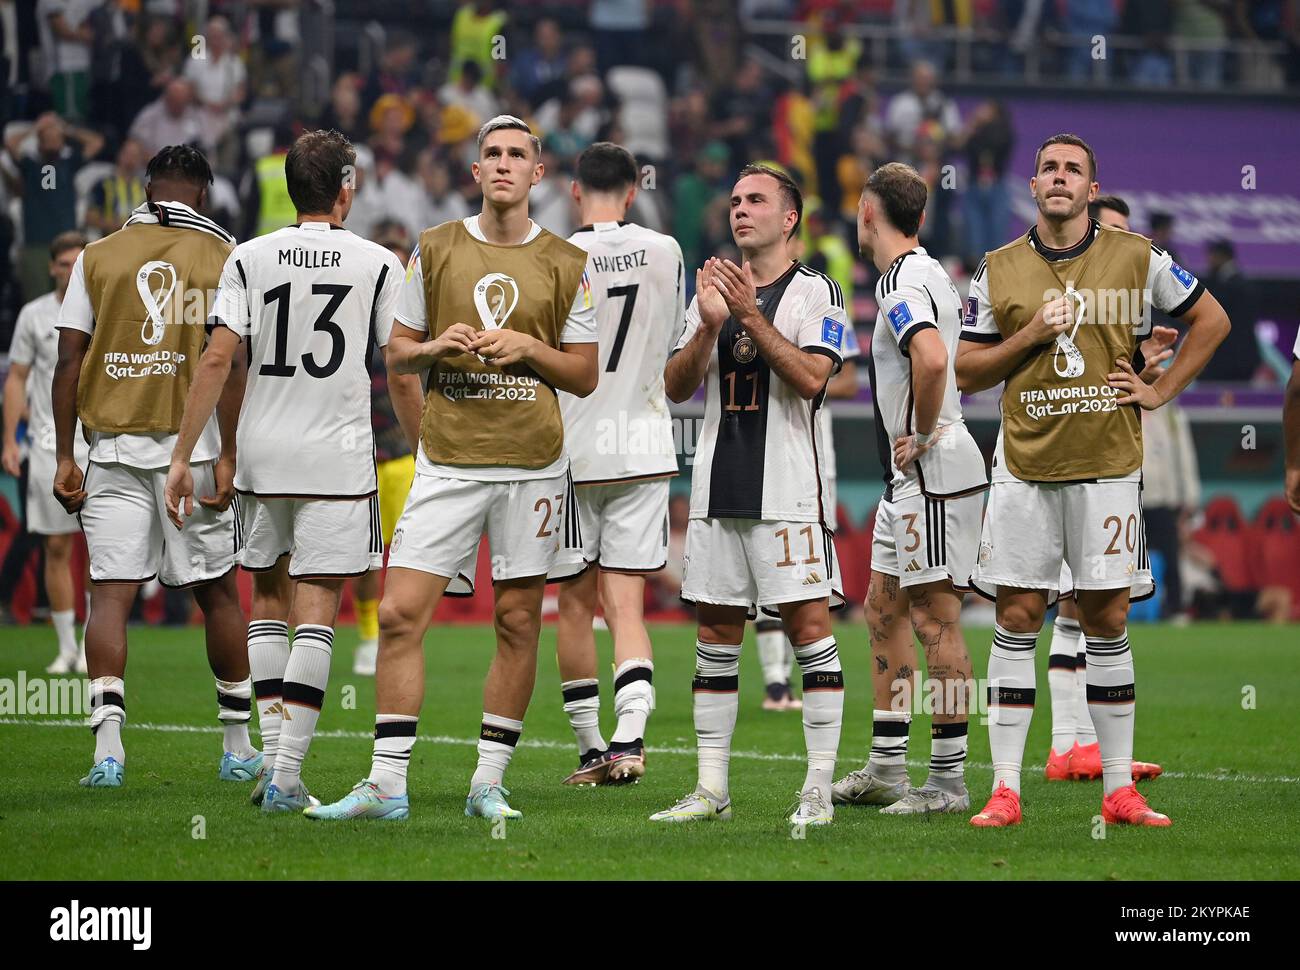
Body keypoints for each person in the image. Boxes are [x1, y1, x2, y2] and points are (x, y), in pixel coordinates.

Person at [305, 116, 598, 823]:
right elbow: (396, 353)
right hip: (448, 460)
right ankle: (385, 785)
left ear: (537, 174)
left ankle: (487, 784)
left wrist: (528, 347)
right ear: (475, 173)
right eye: (490, 154)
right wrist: (437, 347)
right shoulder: (434, 248)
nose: (502, 164)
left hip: (531, 463)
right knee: (402, 612)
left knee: (517, 618)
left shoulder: (567, 260)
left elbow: (585, 375)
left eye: (516, 155)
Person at [957, 134, 1230, 828]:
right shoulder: (997, 269)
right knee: (1018, 619)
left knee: (1107, 619)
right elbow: (963, 369)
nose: (1059, 178)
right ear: (1034, 184)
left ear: (1090, 187)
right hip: (1025, 468)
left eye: (1073, 170)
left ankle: (1117, 789)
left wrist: (1158, 390)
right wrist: (1028, 339)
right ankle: (1006, 790)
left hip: (1108, 468)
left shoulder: (1136, 257)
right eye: (1049, 167)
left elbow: (1212, 320)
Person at [164, 129, 413, 814]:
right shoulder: (378, 262)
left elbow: (217, 359)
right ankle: (286, 773)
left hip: (263, 453)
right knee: (316, 610)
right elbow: (397, 364)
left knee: (267, 600)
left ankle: (273, 762)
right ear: (346, 187)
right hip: (335, 457)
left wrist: (186, 455)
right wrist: (425, 448)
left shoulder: (247, 257)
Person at [650, 164, 849, 826]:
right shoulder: (710, 291)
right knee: (714, 635)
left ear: (789, 217)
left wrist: (745, 315)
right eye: (734, 200)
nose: (740, 209)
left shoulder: (820, 292)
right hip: (716, 485)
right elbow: (677, 389)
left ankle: (818, 787)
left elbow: (812, 378)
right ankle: (712, 790)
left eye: (756, 200)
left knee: (809, 630)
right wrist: (708, 326)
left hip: (790, 490)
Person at [51, 145, 254, 789]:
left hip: (110, 448)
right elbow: (232, 365)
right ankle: (237, 745)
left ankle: (107, 751)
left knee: (108, 596)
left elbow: (68, 364)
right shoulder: (222, 256)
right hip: (187, 454)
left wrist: (63, 454)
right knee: (217, 593)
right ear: (202, 192)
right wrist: (228, 451)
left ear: (147, 188)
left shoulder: (96, 254)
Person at [831, 163, 989, 816]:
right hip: (915, 478)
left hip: (933, 472)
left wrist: (922, 434)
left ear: (869, 213)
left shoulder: (900, 281)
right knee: (884, 612)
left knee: (934, 619)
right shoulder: (930, 274)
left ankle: (948, 784)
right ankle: (889, 766)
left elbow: (931, 359)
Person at [553, 142, 683, 786]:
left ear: (575, 190)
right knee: (627, 607)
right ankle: (630, 741)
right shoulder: (666, 250)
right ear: (633, 191)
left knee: (575, 606)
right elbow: (672, 342)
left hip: (574, 449)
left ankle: (589, 748)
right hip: (645, 445)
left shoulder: (551, 256)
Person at [1038, 194, 1166, 783]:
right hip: (1067, 460)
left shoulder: (1128, 293)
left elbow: (1110, 370)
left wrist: (1145, 369)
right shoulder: (1049, 283)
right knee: (1076, 603)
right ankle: (1071, 744)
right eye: (1109, 232)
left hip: (1114, 460)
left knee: (1098, 607)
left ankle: (1080, 745)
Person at [2, 231, 89, 673]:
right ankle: (66, 647)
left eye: (78, 261)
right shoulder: (33, 315)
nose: (70, 269)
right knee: (55, 547)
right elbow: (16, 377)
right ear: (51, 267)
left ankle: (94, 644)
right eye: (62, 263)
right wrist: (9, 440)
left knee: (103, 549)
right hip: (50, 444)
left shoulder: (105, 309)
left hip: (100, 442)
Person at [352, 224, 422, 678]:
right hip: (358, 450)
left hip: (402, 451)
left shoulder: (419, 323)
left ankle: (401, 632)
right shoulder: (354, 314)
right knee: (364, 554)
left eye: (402, 262)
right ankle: (368, 633)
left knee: (410, 553)